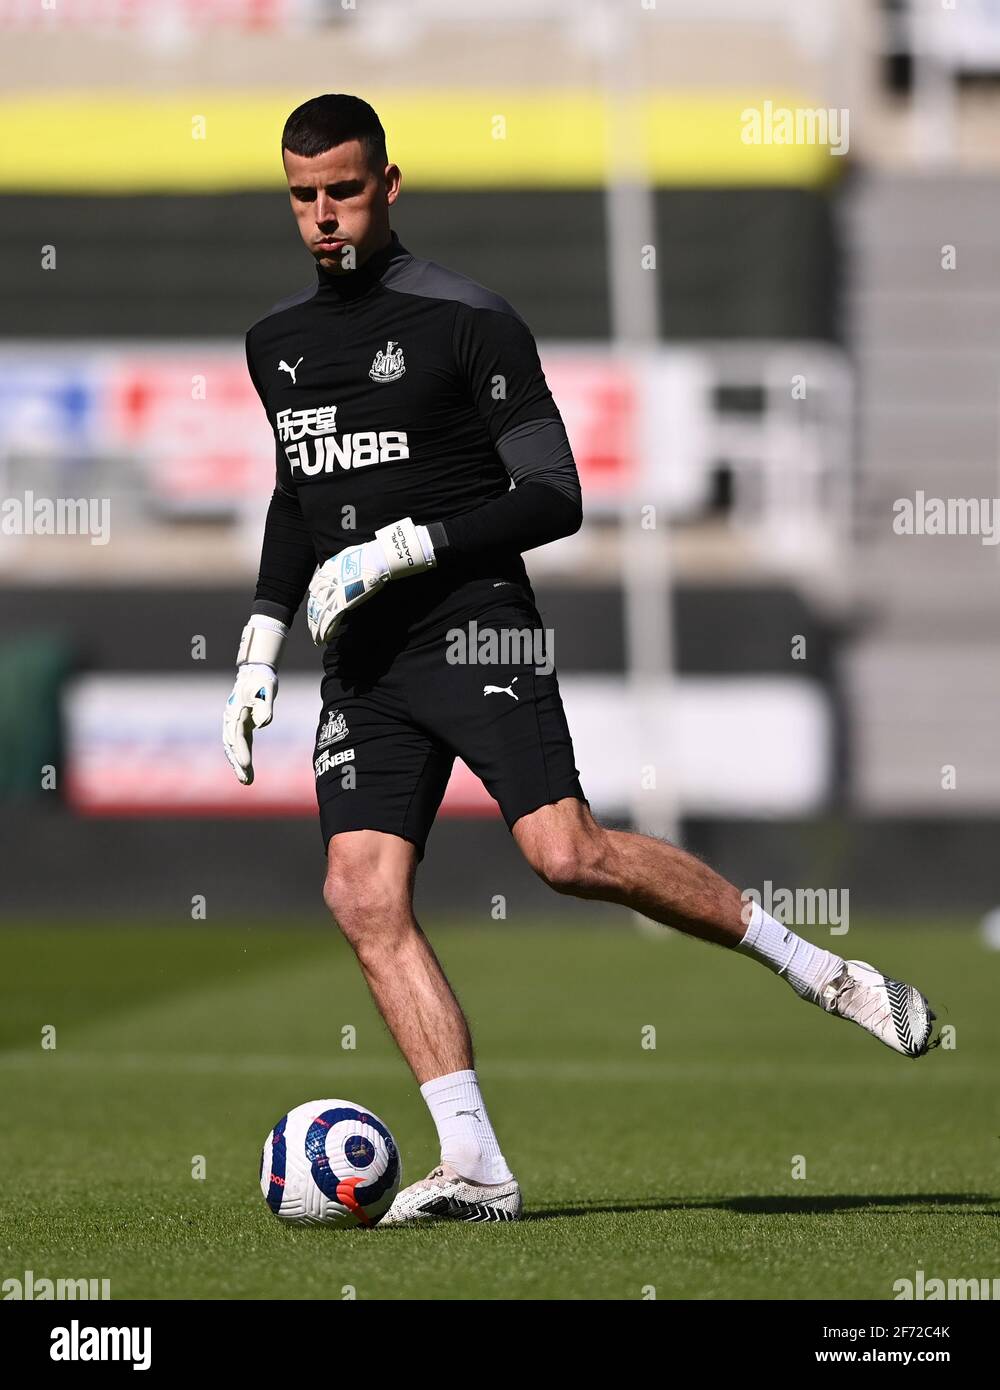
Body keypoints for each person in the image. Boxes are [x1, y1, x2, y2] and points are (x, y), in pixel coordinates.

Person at [224, 94, 936, 1226]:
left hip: (471, 627)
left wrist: (409, 544)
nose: (324, 216)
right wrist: (261, 637)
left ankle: (815, 968)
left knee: (565, 854)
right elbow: (295, 494)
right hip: (363, 662)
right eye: (304, 195)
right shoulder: (277, 342)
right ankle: (475, 1166)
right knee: (360, 893)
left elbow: (555, 494)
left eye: (344, 191)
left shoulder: (469, 321)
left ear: (389, 186)